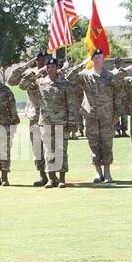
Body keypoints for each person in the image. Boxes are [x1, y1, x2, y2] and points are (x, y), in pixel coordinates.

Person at [66, 50, 122, 182]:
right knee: (93, 143)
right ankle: (98, 172)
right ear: (92, 59)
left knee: (107, 143)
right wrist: (81, 65)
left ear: (104, 59)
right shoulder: (85, 75)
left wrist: (117, 113)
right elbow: (69, 78)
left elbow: (118, 95)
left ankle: (107, 172)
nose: (98, 59)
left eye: (100, 56)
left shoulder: (110, 76)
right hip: (91, 115)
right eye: (95, 57)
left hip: (107, 114)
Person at [17, 56, 73, 187]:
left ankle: (62, 178)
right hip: (45, 122)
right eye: (48, 67)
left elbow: (71, 103)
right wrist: (35, 72)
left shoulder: (64, 83)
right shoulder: (40, 82)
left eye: (53, 67)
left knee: (61, 150)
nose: (50, 69)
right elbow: (22, 85)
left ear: (57, 68)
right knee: (48, 151)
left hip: (61, 121)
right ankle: (52, 178)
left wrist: (72, 121)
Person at [7, 52, 49, 185]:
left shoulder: (51, 72)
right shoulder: (29, 73)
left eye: (43, 59)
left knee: (52, 145)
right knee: (37, 146)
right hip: (34, 114)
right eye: (38, 59)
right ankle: (43, 175)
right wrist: (27, 64)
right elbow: (11, 81)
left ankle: (54, 175)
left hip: (50, 115)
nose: (41, 61)